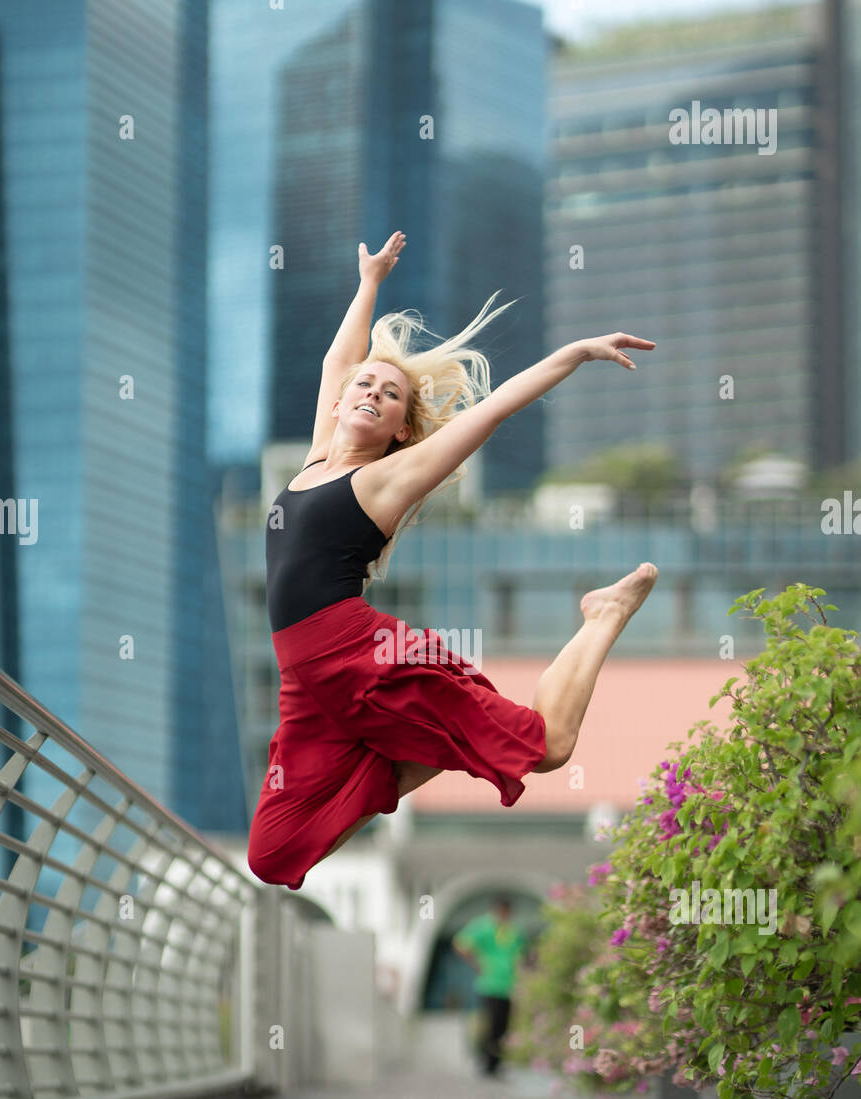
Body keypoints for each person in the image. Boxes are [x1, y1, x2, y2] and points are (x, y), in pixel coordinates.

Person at [247, 230, 658, 891]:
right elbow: (339, 359)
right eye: (367, 385)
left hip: (363, 660)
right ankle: (398, 758)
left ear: (401, 431)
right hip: (311, 684)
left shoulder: (383, 482)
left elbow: (490, 411)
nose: (370, 393)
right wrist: (370, 283)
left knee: (547, 747)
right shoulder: (318, 457)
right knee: (271, 855)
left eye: (389, 396)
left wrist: (573, 354)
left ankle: (602, 617)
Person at [452, 897, 527, 1076]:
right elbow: (461, 943)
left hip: (508, 984)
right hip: (489, 984)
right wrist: (476, 963)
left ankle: (496, 1063)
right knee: (491, 1024)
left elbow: (522, 953)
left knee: (504, 1024)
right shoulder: (482, 926)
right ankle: (486, 1063)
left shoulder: (512, 930)